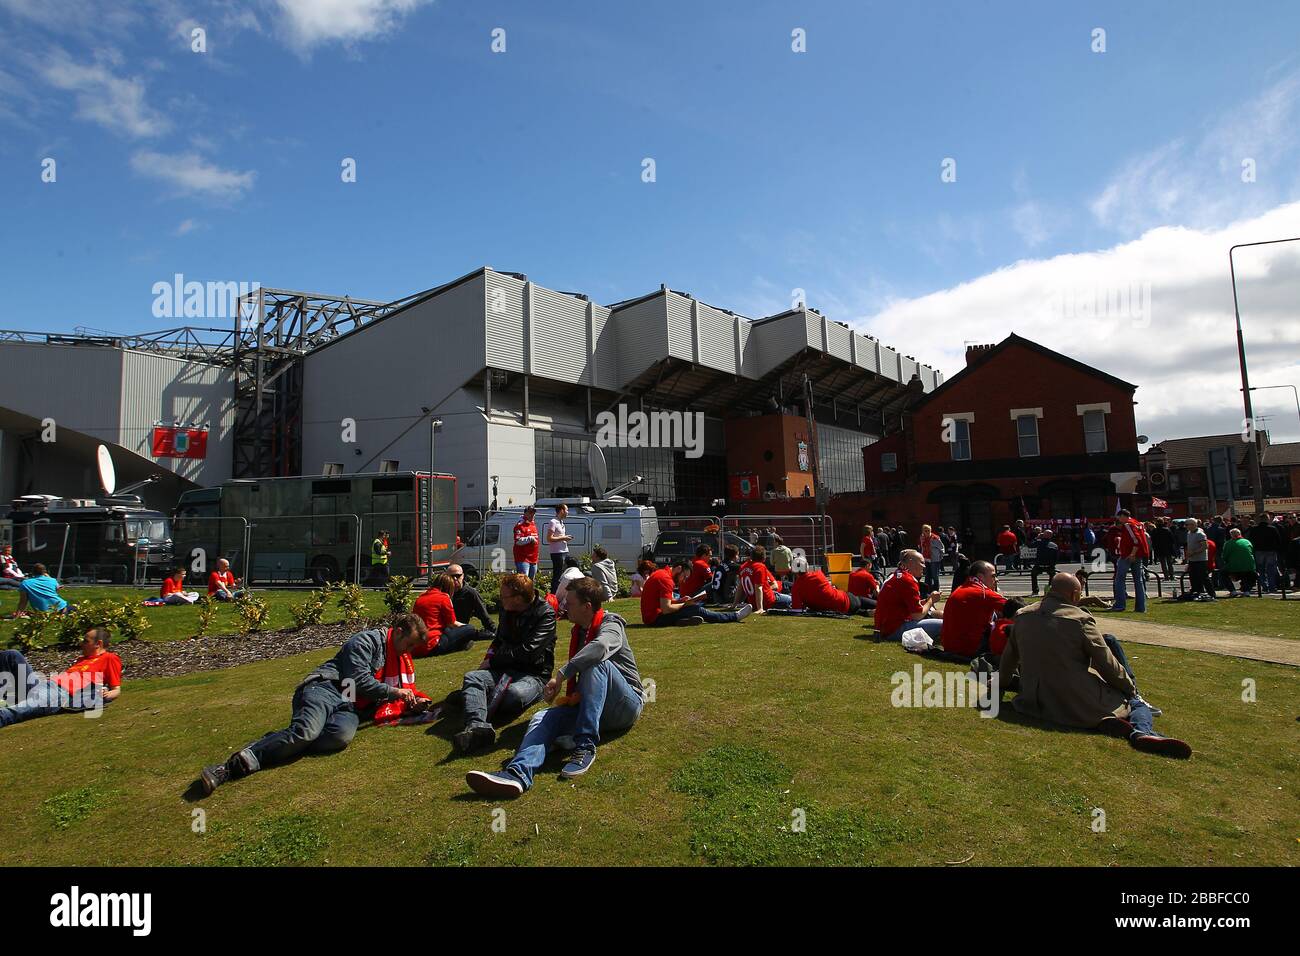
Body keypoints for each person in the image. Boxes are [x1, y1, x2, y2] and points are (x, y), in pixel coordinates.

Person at [198, 614, 433, 793]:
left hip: (349, 704)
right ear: (399, 632)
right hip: (325, 688)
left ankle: (280, 741)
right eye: (410, 645)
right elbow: (358, 681)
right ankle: (233, 766)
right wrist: (397, 693)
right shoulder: (365, 642)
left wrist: (411, 701)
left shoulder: (397, 654)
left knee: (338, 737)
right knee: (306, 732)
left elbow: (391, 692)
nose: (409, 651)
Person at [465, 576, 644, 797]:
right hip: (591, 706)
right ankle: (518, 774)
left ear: (587, 606)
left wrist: (561, 675)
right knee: (541, 717)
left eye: (569, 603)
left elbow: (600, 648)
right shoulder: (578, 631)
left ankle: (585, 745)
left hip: (624, 706)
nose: (564, 606)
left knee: (596, 663)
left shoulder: (611, 624)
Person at [999, 573, 1191, 758]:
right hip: (1072, 699)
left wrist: (999, 685)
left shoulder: (1022, 616)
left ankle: (1110, 721)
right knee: (1135, 703)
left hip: (1034, 699)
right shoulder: (1079, 619)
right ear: (1075, 595)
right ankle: (1141, 732)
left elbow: (1008, 661)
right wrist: (1129, 688)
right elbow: (1107, 664)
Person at [452, 572, 557, 754]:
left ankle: (473, 698)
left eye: (504, 596)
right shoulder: (507, 610)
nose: (500, 599)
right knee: (473, 677)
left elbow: (529, 652)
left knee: (513, 695)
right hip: (504, 669)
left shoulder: (545, 614)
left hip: (533, 674)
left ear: (518, 598)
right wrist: (488, 659)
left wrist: (494, 660)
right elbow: (498, 641)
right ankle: (477, 727)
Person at [0, 626, 122, 729]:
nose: (81, 644)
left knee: (18, 710)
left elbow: (116, 689)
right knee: (11, 655)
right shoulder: (83, 659)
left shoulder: (109, 658)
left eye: (86, 641)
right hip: (44, 685)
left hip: (59, 695)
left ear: (98, 644)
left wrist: (106, 695)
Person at [640, 558, 752, 626]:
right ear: (679, 569)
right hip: (655, 619)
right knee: (696, 609)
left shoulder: (662, 573)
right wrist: (684, 604)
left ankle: (683, 620)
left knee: (692, 607)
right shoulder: (666, 579)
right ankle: (733, 616)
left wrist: (680, 600)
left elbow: (664, 602)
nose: (683, 581)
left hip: (651, 617)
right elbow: (666, 609)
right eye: (684, 577)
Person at [940, 561, 1011, 658]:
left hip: (951, 646)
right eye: (993, 576)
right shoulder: (983, 593)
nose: (996, 580)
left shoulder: (961, 588)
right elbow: (1016, 609)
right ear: (981, 577)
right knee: (1008, 626)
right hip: (971, 648)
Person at [873, 550, 943, 643]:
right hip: (894, 629)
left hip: (885, 627)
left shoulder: (898, 575)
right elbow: (917, 615)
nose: (924, 566)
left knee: (940, 614)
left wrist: (927, 600)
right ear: (910, 562)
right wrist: (931, 600)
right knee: (945, 624)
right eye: (922, 562)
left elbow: (905, 605)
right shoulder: (908, 580)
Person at [411, 572, 480, 656]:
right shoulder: (443, 597)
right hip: (433, 644)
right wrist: (467, 628)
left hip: (417, 645)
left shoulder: (420, 598)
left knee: (449, 631)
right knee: (470, 629)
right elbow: (452, 623)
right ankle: (464, 643)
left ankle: (462, 644)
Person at [790, 559, 873, 616]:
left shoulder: (796, 587)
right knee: (862, 602)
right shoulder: (818, 574)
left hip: (838, 609)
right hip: (845, 599)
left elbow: (797, 610)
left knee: (854, 607)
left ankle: (866, 613)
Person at [1110, 510, 1149, 613]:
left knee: (1119, 580)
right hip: (1138, 555)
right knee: (1138, 581)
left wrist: (1132, 553)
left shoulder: (1128, 525)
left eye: (1119, 517)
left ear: (1123, 516)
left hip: (1128, 555)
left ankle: (1120, 605)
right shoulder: (1138, 523)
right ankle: (1141, 607)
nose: (1118, 520)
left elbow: (1137, 540)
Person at [448, 564, 495, 636]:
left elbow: (483, 614)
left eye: (458, 576)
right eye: (451, 576)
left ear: (463, 576)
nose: (455, 579)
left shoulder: (470, 593)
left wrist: (494, 632)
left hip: (460, 631)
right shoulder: (442, 592)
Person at [738, 546, 791, 610]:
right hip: (769, 599)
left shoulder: (743, 567)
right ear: (764, 558)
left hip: (755, 601)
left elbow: (740, 587)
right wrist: (760, 608)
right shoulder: (759, 567)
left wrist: (734, 604)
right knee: (793, 599)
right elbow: (759, 587)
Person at [1246, 514, 1283, 593]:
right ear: (1267, 519)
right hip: (1271, 551)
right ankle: (1272, 586)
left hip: (1258, 551)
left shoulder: (1254, 529)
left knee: (1260, 569)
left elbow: (1250, 540)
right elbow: (1278, 540)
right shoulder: (1272, 529)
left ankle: (1264, 586)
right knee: (1271, 569)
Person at [545, 504, 573, 594]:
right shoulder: (553, 522)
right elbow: (549, 538)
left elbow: (558, 537)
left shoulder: (561, 522)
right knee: (558, 575)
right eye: (567, 510)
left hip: (564, 550)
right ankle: (553, 595)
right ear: (561, 511)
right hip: (557, 553)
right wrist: (563, 538)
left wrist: (564, 537)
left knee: (564, 574)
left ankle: (562, 593)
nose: (568, 512)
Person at [1221, 528, 1257, 597]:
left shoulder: (1228, 543)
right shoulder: (1247, 542)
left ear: (1231, 535)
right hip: (1250, 567)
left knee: (1222, 574)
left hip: (1234, 567)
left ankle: (1233, 591)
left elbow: (1224, 557)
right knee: (1246, 574)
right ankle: (1247, 591)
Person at [1183, 518, 1212, 600]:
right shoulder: (1189, 533)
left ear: (1193, 525)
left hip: (1201, 559)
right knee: (1193, 577)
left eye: (1187, 525)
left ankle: (1211, 593)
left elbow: (1205, 546)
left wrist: (1194, 552)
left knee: (1204, 577)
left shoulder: (1200, 534)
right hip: (1192, 559)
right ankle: (1197, 592)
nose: (1186, 526)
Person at [512, 506, 541, 579]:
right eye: (530, 513)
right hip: (523, 558)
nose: (532, 515)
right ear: (525, 513)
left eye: (533, 513)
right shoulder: (520, 525)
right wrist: (530, 538)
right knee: (523, 581)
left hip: (534, 558)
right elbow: (518, 541)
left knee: (531, 582)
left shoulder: (533, 524)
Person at [1028, 530, 1060, 596]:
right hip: (1050, 565)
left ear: (1043, 535)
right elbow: (1056, 557)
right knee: (1052, 575)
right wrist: (1053, 564)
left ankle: (1035, 591)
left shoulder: (1038, 542)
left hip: (1039, 564)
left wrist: (1037, 538)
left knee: (1033, 574)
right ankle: (1049, 589)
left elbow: (1030, 545)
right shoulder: (1054, 545)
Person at [918, 524, 943, 594]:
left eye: (928, 530)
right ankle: (927, 590)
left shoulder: (935, 538)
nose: (927, 532)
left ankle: (936, 589)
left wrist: (940, 557)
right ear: (923, 531)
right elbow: (922, 547)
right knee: (927, 575)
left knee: (935, 575)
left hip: (934, 559)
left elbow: (941, 548)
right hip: (926, 559)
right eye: (925, 530)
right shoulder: (922, 538)